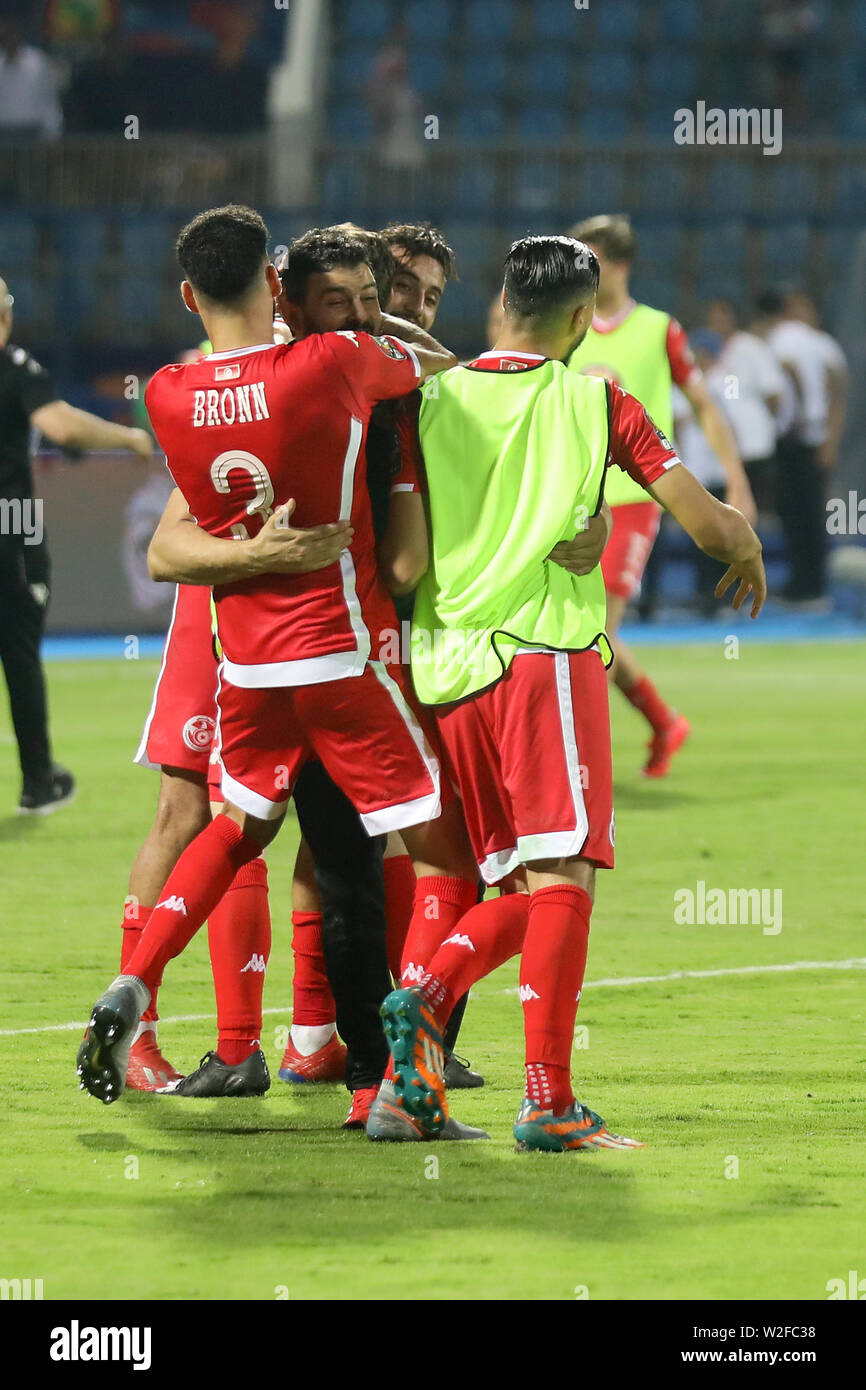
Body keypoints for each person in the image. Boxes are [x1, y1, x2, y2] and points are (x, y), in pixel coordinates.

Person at [75, 205, 490, 1148]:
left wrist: (254, 551)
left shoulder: (170, 391)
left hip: (247, 668)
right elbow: (438, 375)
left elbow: (178, 536)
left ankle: (139, 988)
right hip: (342, 654)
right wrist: (388, 335)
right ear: (280, 292)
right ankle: (403, 1080)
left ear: (189, 294)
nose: (361, 316)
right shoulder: (333, 365)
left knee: (236, 828)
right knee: (441, 858)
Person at [374, 235, 766, 1153]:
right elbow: (706, 525)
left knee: (511, 884)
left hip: (447, 672)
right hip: (544, 657)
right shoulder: (597, 398)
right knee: (566, 879)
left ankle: (407, 1083)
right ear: (584, 321)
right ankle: (542, 1097)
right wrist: (743, 541)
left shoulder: (430, 398)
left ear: (501, 303)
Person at [566, 215, 757, 776]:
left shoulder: (658, 329)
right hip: (573, 499)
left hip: (632, 498)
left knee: (596, 633)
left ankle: (578, 769)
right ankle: (663, 721)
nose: (581, 270)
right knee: (579, 631)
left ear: (620, 265)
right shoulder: (566, 326)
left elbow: (702, 405)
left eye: (591, 259)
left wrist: (735, 479)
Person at [0, 275, 152, 814]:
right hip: (10, 531)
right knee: (19, 655)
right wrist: (128, 436)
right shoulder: (16, 368)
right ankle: (39, 779)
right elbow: (59, 426)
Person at [755, 288, 841, 603]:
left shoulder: (783, 336)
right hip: (813, 435)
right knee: (807, 513)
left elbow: (788, 368)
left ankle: (806, 584)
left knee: (798, 513)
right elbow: (838, 384)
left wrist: (800, 412)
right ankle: (811, 583)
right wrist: (830, 433)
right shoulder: (822, 342)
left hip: (794, 435)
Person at [704, 297, 787, 518]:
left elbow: (774, 393)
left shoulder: (750, 347)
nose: (716, 323)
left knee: (755, 511)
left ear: (733, 318)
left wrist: (766, 427)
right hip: (728, 449)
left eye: (721, 317)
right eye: (712, 318)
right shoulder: (712, 353)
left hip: (756, 445)